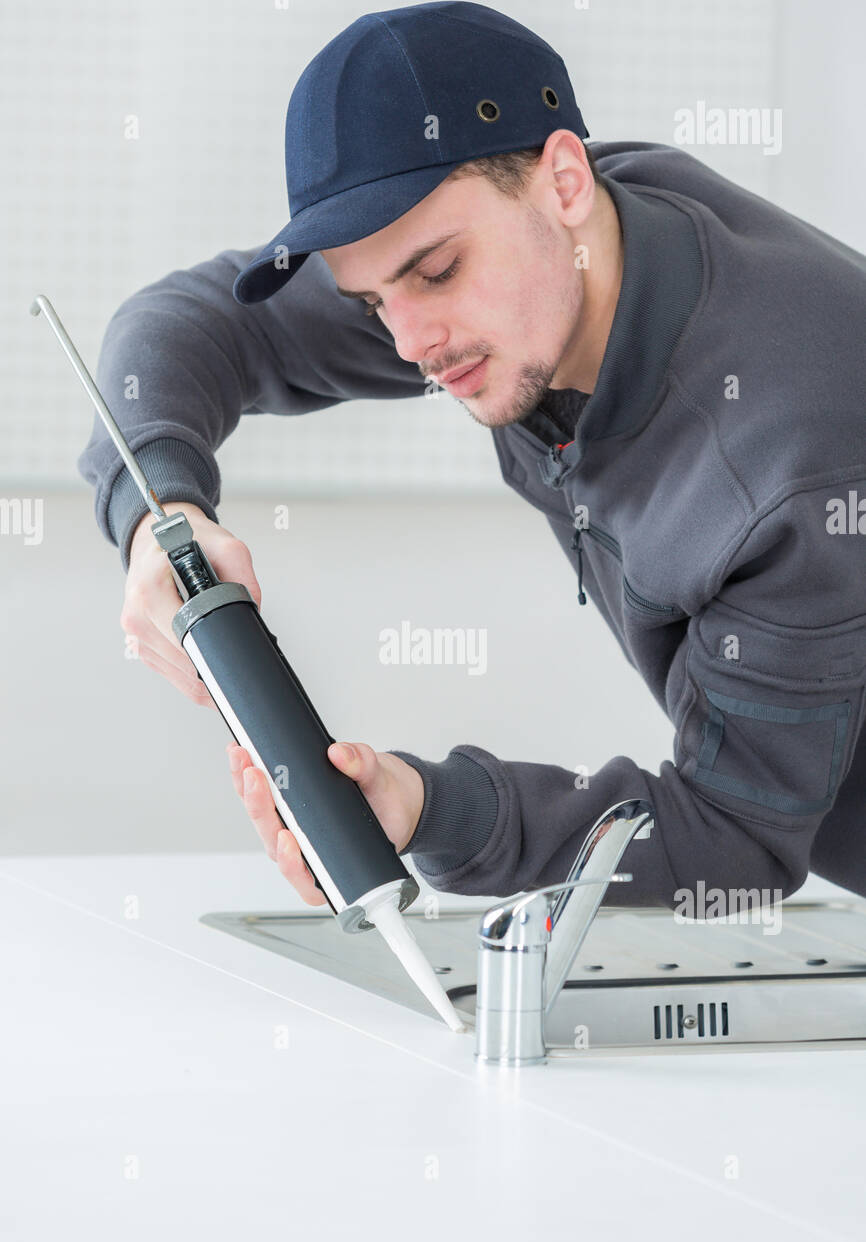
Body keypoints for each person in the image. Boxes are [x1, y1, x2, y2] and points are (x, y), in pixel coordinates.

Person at [79, 2, 866, 914]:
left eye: (437, 272)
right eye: (371, 303)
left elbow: (730, 848)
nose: (413, 345)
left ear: (566, 179)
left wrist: (431, 811)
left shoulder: (792, 465)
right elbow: (189, 325)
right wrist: (158, 516)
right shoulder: (546, 250)